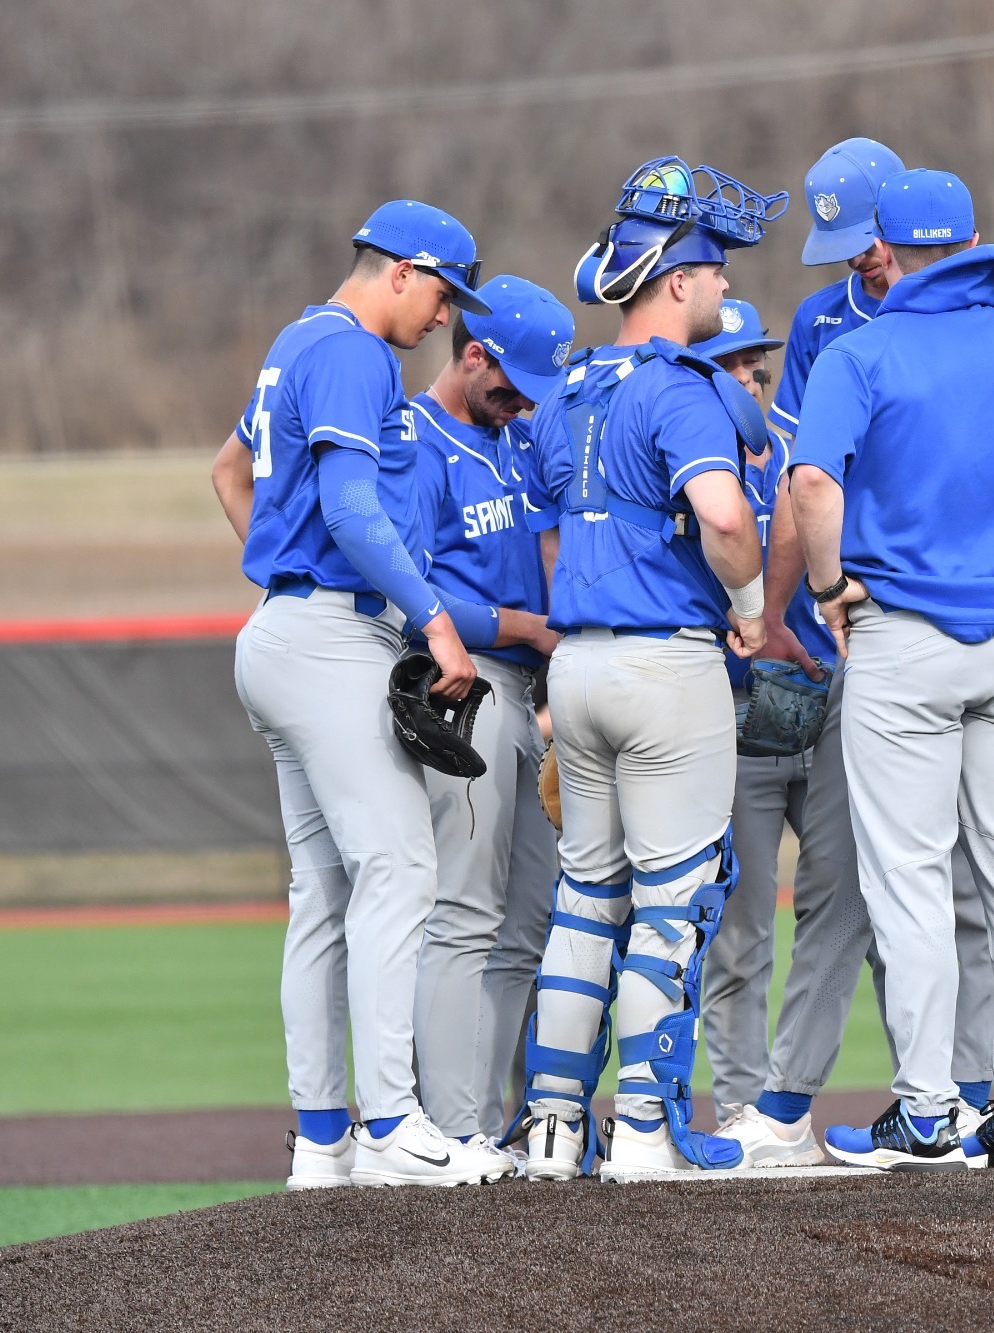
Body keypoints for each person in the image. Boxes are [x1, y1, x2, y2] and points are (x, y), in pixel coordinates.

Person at [719, 135, 994, 1166]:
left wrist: (819, 592)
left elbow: (809, 484)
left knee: (907, 877)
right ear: (971, 241)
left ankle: (931, 1111)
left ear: (894, 248)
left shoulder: (867, 349)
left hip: (902, 633)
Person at [211, 200, 513, 1188]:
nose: (444, 316)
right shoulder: (354, 352)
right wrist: (433, 620)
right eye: (441, 292)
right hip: (330, 637)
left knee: (324, 897)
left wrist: (284, 574)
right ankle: (389, 1122)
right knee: (399, 867)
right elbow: (348, 505)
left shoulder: (293, 343)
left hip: (281, 633)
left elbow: (228, 472)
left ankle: (323, 1140)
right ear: (400, 270)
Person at [511, 158, 786, 1181]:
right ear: (676, 280)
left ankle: (550, 1127)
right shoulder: (683, 387)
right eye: (713, 273)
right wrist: (752, 611)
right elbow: (724, 517)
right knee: (672, 906)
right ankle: (642, 1130)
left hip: (577, 666)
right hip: (665, 662)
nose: (723, 287)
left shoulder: (567, 390)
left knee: (586, 900)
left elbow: (548, 541)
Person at [403, 276, 573, 1172]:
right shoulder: (415, 439)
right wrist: (521, 625)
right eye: (511, 385)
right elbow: (408, 590)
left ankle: (481, 1117)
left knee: (528, 918)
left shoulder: (517, 437)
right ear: (473, 355)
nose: (522, 402)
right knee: (464, 908)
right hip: (463, 686)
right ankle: (444, 1126)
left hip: (527, 691)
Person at [687, 299, 836, 1149]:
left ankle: (924, 1100)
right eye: (731, 362)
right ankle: (744, 1112)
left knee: (857, 911)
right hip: (734, 725)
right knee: (740, 935)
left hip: (820, 713)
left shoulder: (800, 455)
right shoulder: (685, 464)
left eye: (756, 363)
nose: (749, 375)